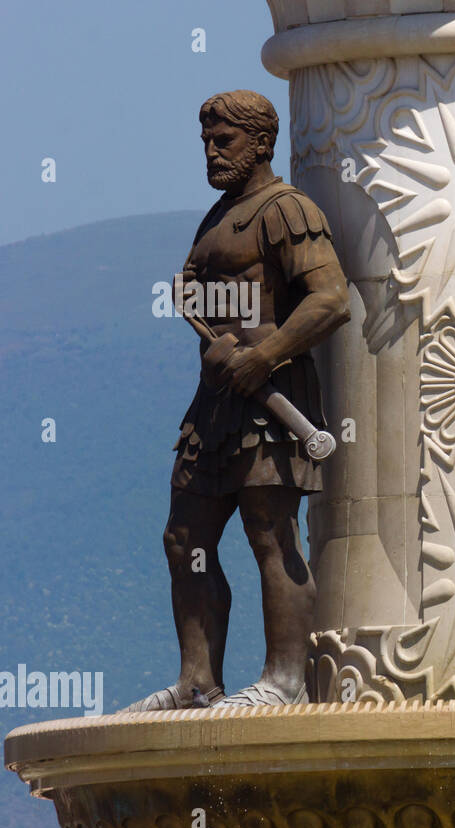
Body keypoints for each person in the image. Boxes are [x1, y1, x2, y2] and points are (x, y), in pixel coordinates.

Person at [122, 90, 350, 710]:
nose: (212, 152)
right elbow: (211, 299)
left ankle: (284, 681)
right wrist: (192, 299)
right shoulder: (217, 216)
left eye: (225, 140)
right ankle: (197, 681)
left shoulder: (287, 211)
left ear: (261, 142)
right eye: (206, 141)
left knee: (270, 533)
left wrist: (264, 354)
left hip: (273, 401)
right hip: (214, 407)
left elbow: (330, 300)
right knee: (183, 536)